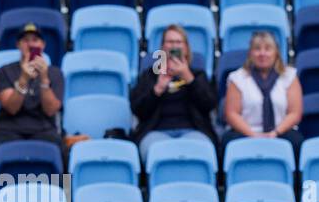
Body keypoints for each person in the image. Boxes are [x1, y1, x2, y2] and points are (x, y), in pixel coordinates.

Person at [130, 24, 217, 164]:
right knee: (155, 150)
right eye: (170, 42)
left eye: (178, 42)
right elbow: (138, 110)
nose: (174, 46)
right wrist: (157, 89)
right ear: (162, 48)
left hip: (192, 131)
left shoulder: (197, 75)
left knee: (200, 150)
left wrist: (189, 78)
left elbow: (209, 104)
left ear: (186, 48)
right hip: (156, 132)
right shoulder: (150, 75)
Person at [222, 30, 303, 156]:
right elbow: (232, 114)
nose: (262, 53)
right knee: (228, 142)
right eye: (257, 49)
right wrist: (253, 135)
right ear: (250, 53)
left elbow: (295, 113)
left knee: (296, 142)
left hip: (280, 131)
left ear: (276, 52)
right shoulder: (237, 78)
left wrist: (275, 133)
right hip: (245, 132)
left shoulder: (289, 76)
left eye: (268, 49)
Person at [0, 22, 65, 157]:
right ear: (18, 45)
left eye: (35, 40)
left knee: (58, 150)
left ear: (43, 45)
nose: (30, 45)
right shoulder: (5, 71)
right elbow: (11, 108)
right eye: (25, 40)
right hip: (9, 129)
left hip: (43, 130)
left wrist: (44, 79)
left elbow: (51, 110)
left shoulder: (54, 73)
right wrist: (24, 78)